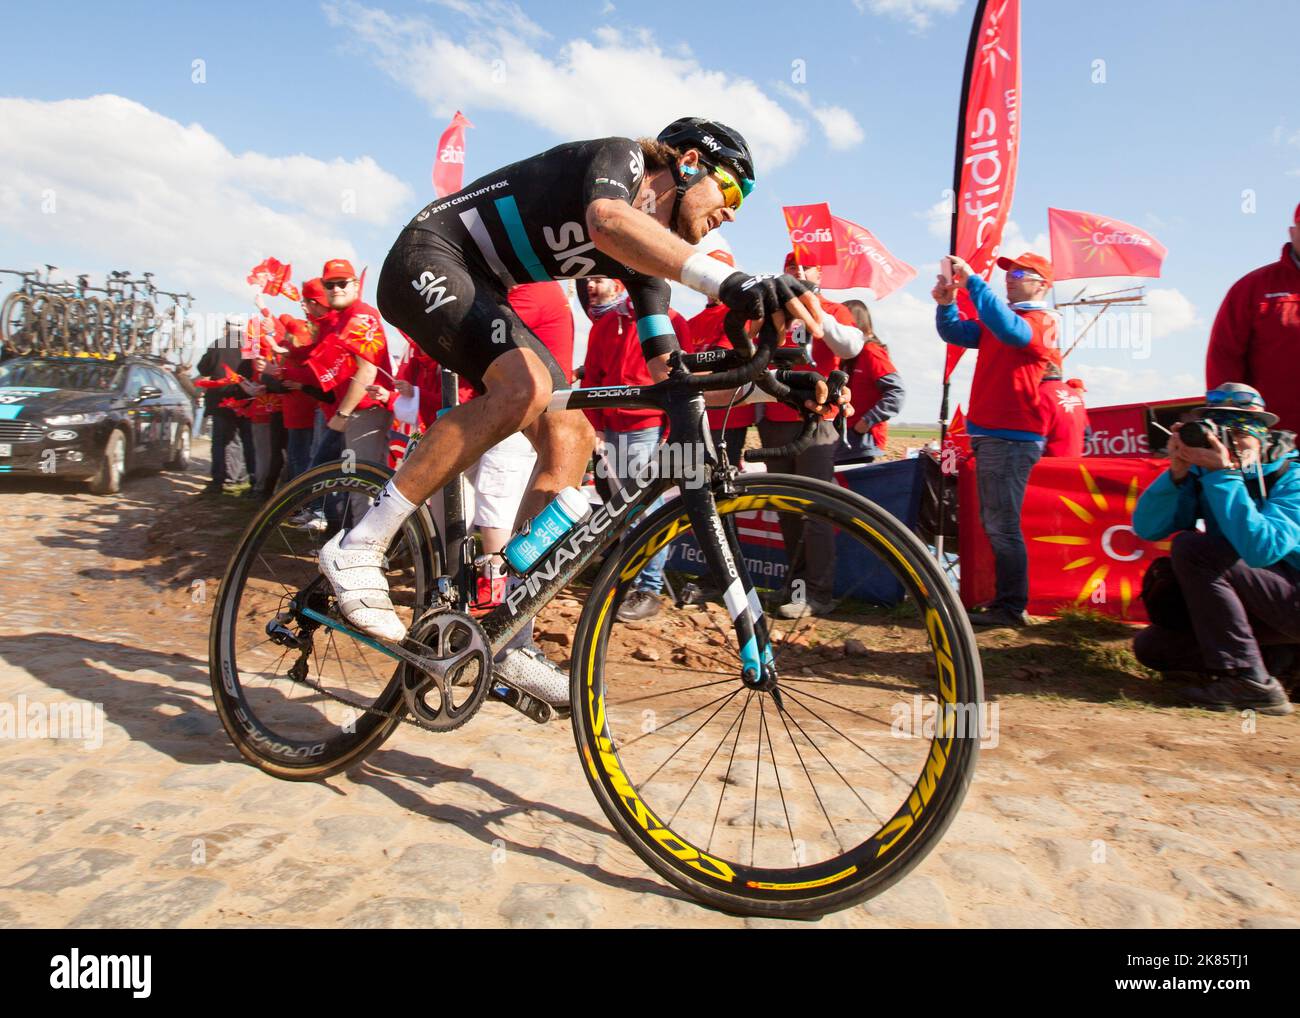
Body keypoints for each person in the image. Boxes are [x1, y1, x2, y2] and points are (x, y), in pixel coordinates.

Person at [316, 118, 841, 707]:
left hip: (486, 287)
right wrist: (733, 282)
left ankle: (509, 632)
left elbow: (673, 371)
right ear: (691, 162)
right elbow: (607, 222)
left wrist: (776, 381)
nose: (735, 211)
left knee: (571, 431)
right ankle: (359, 544)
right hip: (428, 255)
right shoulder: (622, 163)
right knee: (525, 387)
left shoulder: (643, 268)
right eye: (735, 190)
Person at [1131, 384, 1299, 714]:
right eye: (1221, 431)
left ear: (1262, 434)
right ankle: (1278, 663)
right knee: (1154, 648)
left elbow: (1262, 549)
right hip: (1267, 602)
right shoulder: (1204, 476)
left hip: (1293, 597)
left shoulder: (1291, 476)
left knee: (1194, 549)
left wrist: (1225, 476)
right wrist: (1176, 473)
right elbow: (1147, 528)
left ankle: (1249, 681)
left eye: (1241, 431)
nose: (1231, 441)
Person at [934, 251, 1061, 628]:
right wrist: (945, 305)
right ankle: (1006, 603)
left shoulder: (1040, 320)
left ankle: (1011, 606)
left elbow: (1011, 332)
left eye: (1021, 272)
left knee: (1001, 523)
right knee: (997, 521)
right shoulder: (1002, 317)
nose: (1010, 277)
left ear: (1043, 284)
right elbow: (955, 333)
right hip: (992, 433)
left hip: (1012, 435)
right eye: (1008, 271)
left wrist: (973, 283)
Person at [757, 251, 865, 618]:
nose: (799, 272)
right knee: (787, 508)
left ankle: (818, 594)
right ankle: (796, 588)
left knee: (816, 508)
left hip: (819, 420)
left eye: (806, 266)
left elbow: (850, 346)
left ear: (821, 271)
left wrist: (813, 306)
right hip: (774, 417)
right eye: (792, 268)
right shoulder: (775, 308)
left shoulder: (835, 309)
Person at [581, 275, 693, 621]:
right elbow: (593, 379)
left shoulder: (672, 322)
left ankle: (649, 587)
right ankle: (626, 582)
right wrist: (595, 426)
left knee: (645, 507)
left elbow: (682, 380)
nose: (591, 286)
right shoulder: (605, 325)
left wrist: (670, 429)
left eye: (599, 279)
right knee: (621, 509)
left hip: (646, 428)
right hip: (610, 430)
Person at [1206, 203, 1300, 434]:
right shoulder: (1252, 288)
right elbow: (1224, 358)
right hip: (1277, 443)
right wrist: (1236, 430)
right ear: (1293, 232)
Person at [687, 249, 754, 466]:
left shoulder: (738, 315)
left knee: (720, 481)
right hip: (696, 412)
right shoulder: (691, 322)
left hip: (728, 415)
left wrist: (684, 382)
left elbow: (720, 360)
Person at [837, 299, 904, 464]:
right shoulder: (844, 354)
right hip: (841, 441)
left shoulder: (871, 352)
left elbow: (896, 393)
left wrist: (867, 421)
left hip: (860, 441)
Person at [195, 318, 255, 495]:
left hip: (222, 399)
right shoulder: (253, 345)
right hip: (246, 399)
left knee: (221, 441)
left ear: (227, 329)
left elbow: (203, 368)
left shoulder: (219, 344)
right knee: (248, 441)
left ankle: (219, 480)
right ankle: (252, 477)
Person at [1038, 363, 1089, 457]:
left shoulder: (1040, 394)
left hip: (1050, 464)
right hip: (1074, 462)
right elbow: (1087, 433)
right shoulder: (1076, 396)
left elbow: (1037, 437)